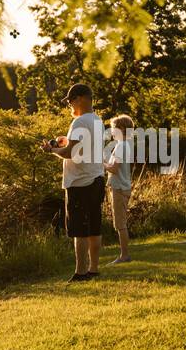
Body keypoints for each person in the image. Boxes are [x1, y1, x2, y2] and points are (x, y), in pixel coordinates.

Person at [41, 83, 105, 282]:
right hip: (97, 179)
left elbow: (70, 153)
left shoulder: (78, 123)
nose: (69, 104)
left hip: (80, 182)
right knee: (94, 226)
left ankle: (80, 273)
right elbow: (79, 147)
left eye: (70, 100)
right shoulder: (97, 120)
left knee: (79, 229)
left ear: (80, 98)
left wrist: (51, 150)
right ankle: (93, 269)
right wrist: (62, 143)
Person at [104, 114, 133, 264]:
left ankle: (124, 256)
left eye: (114, 128)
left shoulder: (122, 146)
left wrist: (101, 163)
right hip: (120, 187)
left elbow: (114, 169)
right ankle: (124, 255)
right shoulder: (122, 145)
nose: (112, 131)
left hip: (120, 188)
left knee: (120, 224)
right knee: (120, 223)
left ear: (122, 129)